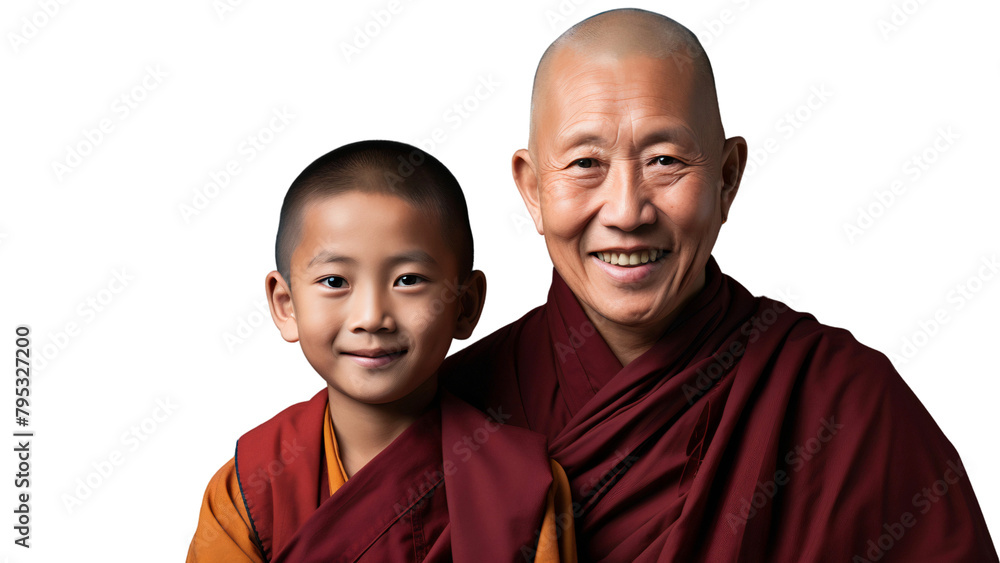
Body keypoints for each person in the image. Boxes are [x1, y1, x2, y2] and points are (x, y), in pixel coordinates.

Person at [441, 8, 998, 562]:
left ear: (727, 177)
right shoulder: (452, 411)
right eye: (586, 163)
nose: (627, 212)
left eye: (665, 160)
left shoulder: (844, 402)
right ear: (533, 190)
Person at [186, 140, 576, 562]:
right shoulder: (252, 487)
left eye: (408, 280)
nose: (371, 317)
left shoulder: (521, 483)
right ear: (286, 305)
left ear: (464, 306)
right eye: (335, 282)